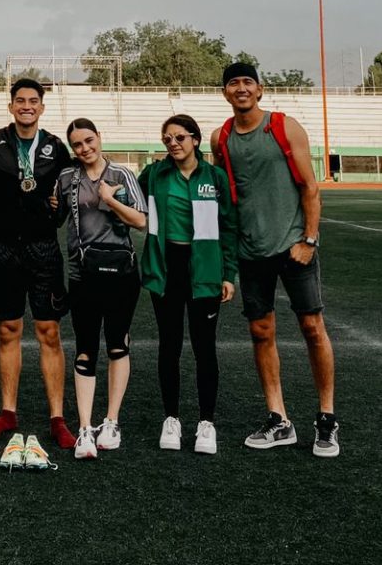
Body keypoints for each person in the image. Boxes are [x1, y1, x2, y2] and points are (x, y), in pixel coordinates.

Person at [211, 62, 339, 457]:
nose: (241, 88)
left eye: (247, 82)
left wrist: (309, 240)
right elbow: (225, 199)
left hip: (293, 247)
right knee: (261, 333)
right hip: (252, 252)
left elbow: (311, 188)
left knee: (312, 328)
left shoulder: (284, 127)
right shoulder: (221, 138)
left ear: (260, 90)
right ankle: (278, 418)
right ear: (226, 93)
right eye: (233, 83)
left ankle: (326, 419)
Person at [0, 79, 75, 449]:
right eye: (20, 101)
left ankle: (57, 417)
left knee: (49, 331)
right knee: (8, 330)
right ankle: (8, 413)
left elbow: (67, 194)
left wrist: (58, 210)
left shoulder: (55, 147)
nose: (27, 106)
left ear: (42, 107)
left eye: (33, 101)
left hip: (42, 248)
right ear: (11, 106)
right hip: (3, 248)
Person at [137, 114, 236, 455]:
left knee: (204, 348)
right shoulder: (154, 174)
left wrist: (228, 274)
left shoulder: (215, 177)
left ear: (194, 139)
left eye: (180, 137)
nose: (173, 144)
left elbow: (229, 228)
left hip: (204, 270)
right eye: (167, 139)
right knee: (169, 345)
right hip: (166, 270)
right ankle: (172, 419)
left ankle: (206, 422)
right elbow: (127, 196)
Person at [56, 118, 145, 461]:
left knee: (118, 344)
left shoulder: (121, 175)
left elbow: (140, 220)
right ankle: (84, 428)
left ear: (99, 138)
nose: (85, 148)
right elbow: (56, 216)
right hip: (82, 275)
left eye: (89, 140)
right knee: (85, 349)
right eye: (77, 144)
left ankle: (112, 421)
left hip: (122, 274)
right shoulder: (67, 178)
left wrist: (110, 198)